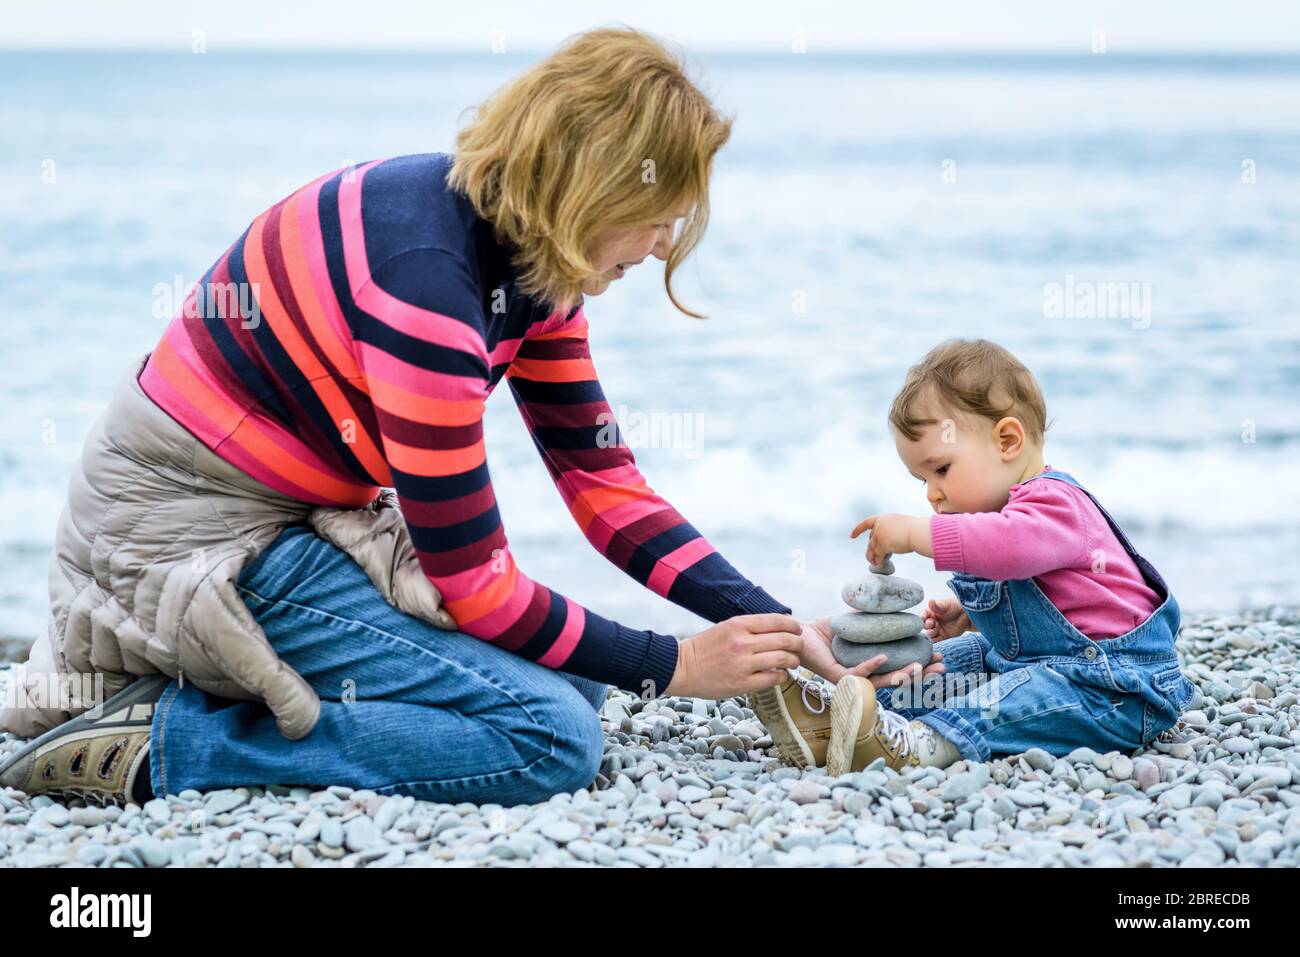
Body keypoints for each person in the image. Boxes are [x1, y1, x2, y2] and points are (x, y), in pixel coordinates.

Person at [0, 27, 936, 809]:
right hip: (189, 538)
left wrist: (770, 623)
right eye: (657, 215)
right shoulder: (426, 285)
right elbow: (479, 584)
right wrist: (679, 665)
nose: (659, 250)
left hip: (290, 518)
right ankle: (164, 744)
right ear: (600, 181)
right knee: (550, 736)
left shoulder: (529, 263)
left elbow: (605, 488)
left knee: (571, 676)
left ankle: (224, 693)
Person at [818, 338, 1194, 774]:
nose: (933, 493)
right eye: (921, 480)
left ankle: (924, 746)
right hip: (1031, 662)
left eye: (941, 470)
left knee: (1020, 694)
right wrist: (972, 616)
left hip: (1113, 690)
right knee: (938, 664)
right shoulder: (1008, 512)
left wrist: (914, 534)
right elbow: (1048, 598)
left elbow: (1005, 547)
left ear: (1008, 440)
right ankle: (854, 714)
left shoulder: (1054, 503)